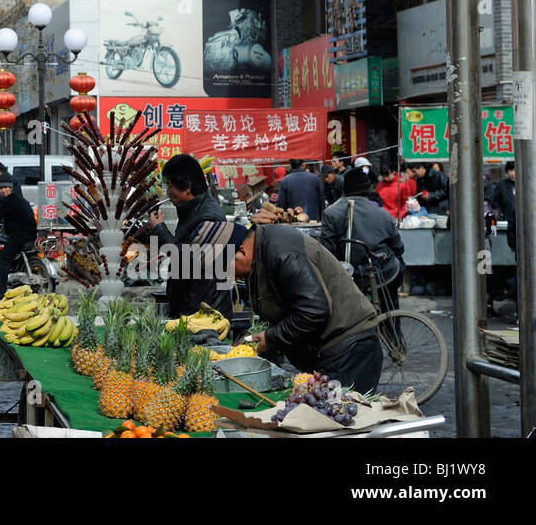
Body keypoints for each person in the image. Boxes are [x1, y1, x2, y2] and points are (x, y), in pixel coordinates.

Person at [235, 219, 382, 390]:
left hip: (348, 352)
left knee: (341, 412)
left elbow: (314, 311)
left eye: (227, 267)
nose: (233, 277)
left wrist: (271, 337)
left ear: (241, 251)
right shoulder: (263, 248)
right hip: (330, 351)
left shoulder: (282, 253)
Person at [149, 153, 239, 319]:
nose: (168, 191)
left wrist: (160, 230)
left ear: (187, 187)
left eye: (170, 185)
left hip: (204, 310)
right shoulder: (192, 209)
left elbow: (189, 260)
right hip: (192, 303)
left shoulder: (209, 216)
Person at [318, 167, 405, 313]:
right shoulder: (383, 215)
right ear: (368, 190)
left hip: (351, 278)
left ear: (345, 190)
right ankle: (392, 331)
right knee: (391, 312)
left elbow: (327, 250)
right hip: (385, 274)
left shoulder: (331, 214)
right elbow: (399, 248)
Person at [0, 173, 37, 302]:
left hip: (20, 235)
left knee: (2, 261)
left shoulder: (8, 202)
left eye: (5, 188)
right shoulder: (19, 199)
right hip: (29, 234)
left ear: (11, 188)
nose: (3, 190)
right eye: (0, 188)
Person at [491, 161, 517, 254]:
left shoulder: (528, 184)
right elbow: (495, 202)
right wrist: (498, 213)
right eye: (510, 171)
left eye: (515, 170)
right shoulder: (502, 185)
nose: (513, 173)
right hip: (510, 223)